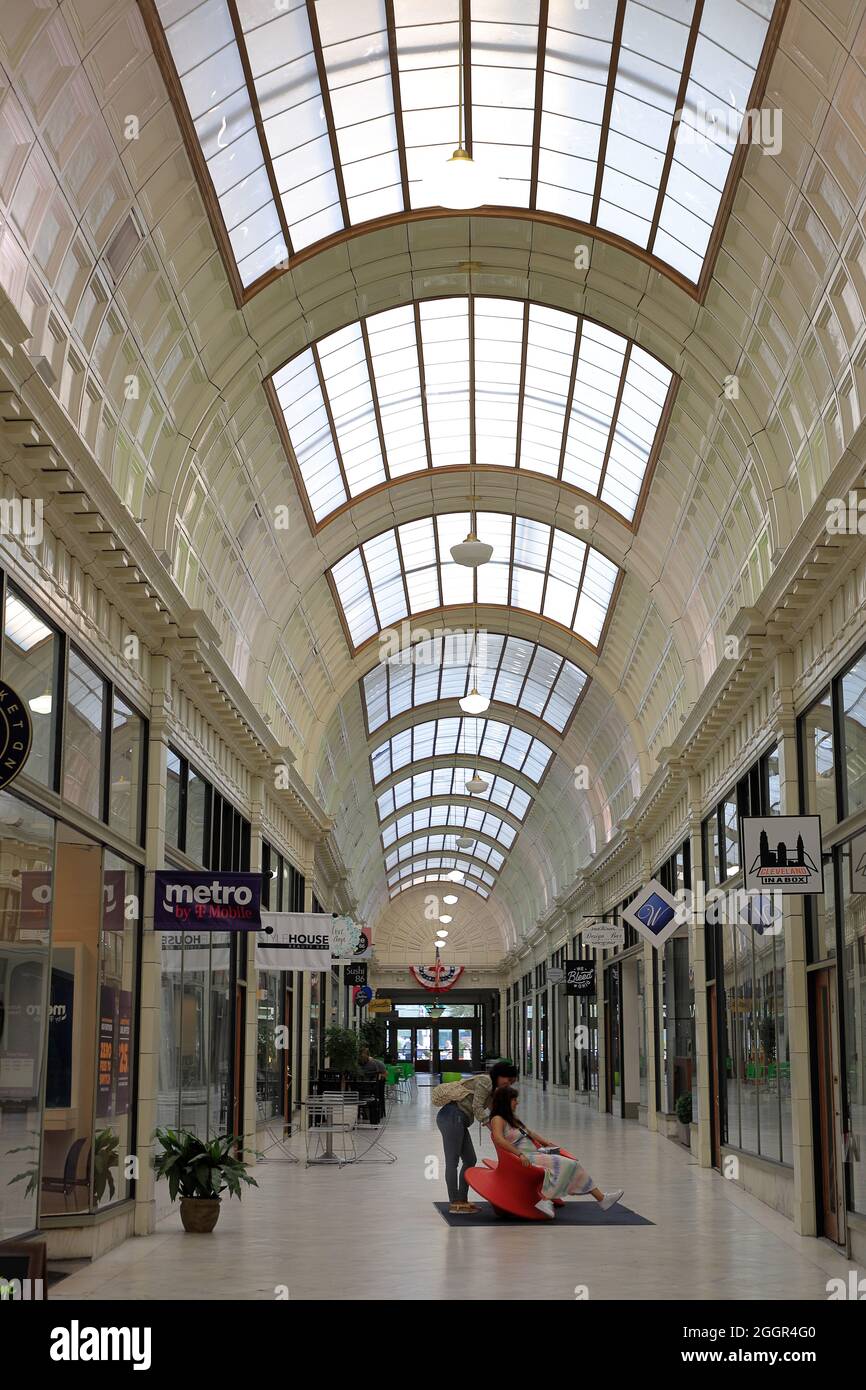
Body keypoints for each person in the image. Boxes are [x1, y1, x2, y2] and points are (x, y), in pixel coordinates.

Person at [488, 1087, 624, 1218]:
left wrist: (547, 1143)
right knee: (568, 1165)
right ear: (505, 1101)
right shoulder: (498, 1119)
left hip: (535, 1154)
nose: (517, 1102)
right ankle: (546, 1199)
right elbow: (499, 1140)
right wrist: (519, 1154)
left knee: (572, 1164)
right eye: (514, 1100)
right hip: (525, 1158)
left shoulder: (512, 1118)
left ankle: (601, 1199)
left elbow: (530, 1133)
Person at [433, 1062, 518, 1213]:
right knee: (452, 1161)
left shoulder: (493, 1089)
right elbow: (477, 1107)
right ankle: (455, 1202)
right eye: (508, 1079)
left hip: (458, 1120)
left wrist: (512, 1125)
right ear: (499, 1075)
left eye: (512, 1082)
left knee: (470, 1159)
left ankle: (462, 1199)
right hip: (452, 1116)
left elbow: (496, 1111)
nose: (508, 1084)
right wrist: (494, 1130)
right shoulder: (486, 1081)